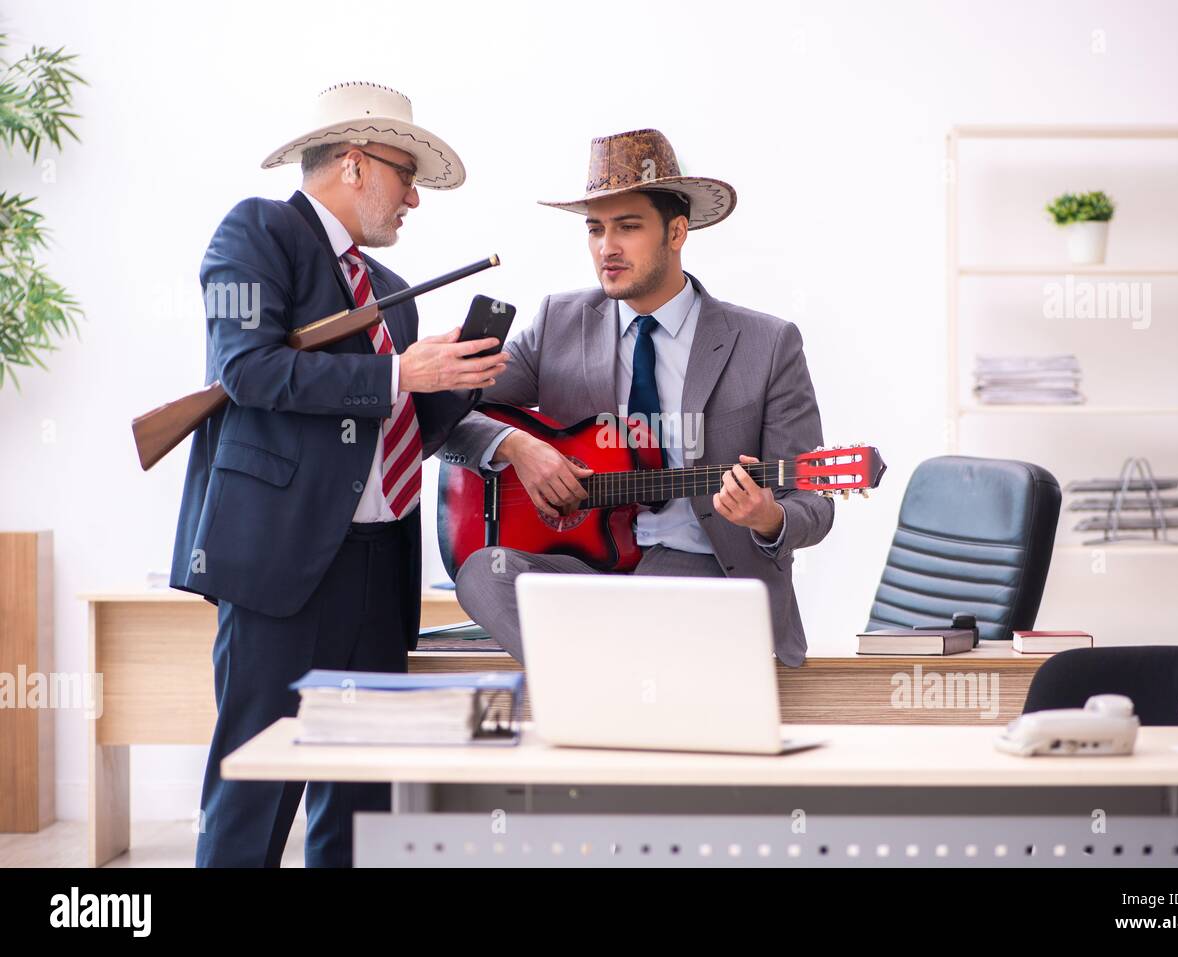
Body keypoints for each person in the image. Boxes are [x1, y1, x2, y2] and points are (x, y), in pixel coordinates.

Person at [170, 81, 507, 867]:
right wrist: (398, 374)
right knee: (254, 797)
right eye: (406, 175)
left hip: (379, 570)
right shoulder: (257, 231)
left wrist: (454, 382)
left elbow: (393, 438)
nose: (415, 200)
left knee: (359, 806)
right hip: (285, 570)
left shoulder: (393, 295)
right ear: (355, 164)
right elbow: (247, 370)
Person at [439, 128, 832, 668]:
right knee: (484, 573)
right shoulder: (560, 321)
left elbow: (813, 501)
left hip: (705, 575)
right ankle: (601, 688)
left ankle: (593, 690)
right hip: (587, 572)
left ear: (677, 232)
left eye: (627, 227)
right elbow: (441, 412)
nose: (608, 247)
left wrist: (766, 517)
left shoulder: (767, 344)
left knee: (651, 638)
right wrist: (514, 446)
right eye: (595, 229)